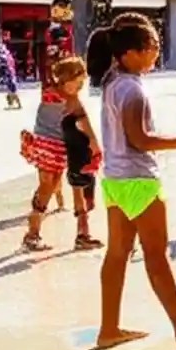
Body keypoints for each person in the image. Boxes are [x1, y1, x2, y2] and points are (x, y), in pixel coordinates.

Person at [85, 12, 176, 350]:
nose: (155, 53)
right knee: (157, 257)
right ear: (129, 53)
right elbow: (141, 140)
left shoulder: (113, 82)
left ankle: (109, 329)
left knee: (117, 254)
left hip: (116, 181)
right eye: (151, 47)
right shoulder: (131, 90)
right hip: (139, 182)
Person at [19, 0, 76, 240]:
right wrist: (66, 89)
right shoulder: (58, 32)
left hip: (55, 101)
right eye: (60, 8)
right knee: (50, 170)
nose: (62, 12)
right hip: (56, 101)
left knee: (52, 168)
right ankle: (35, 225)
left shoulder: (60, 30)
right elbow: (56, 64)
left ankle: (43, 212)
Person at [52, 57, 104, 250]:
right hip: (66, 149)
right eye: (79, 82)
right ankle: (81, 233)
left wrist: (95, 145)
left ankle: (83, 233)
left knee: (80, 189)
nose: (81, 86)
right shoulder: (56, 97)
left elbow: (86, 124)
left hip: (78, 150)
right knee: (73, 188)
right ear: (66, 79)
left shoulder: (72, 100)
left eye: (83, 83)